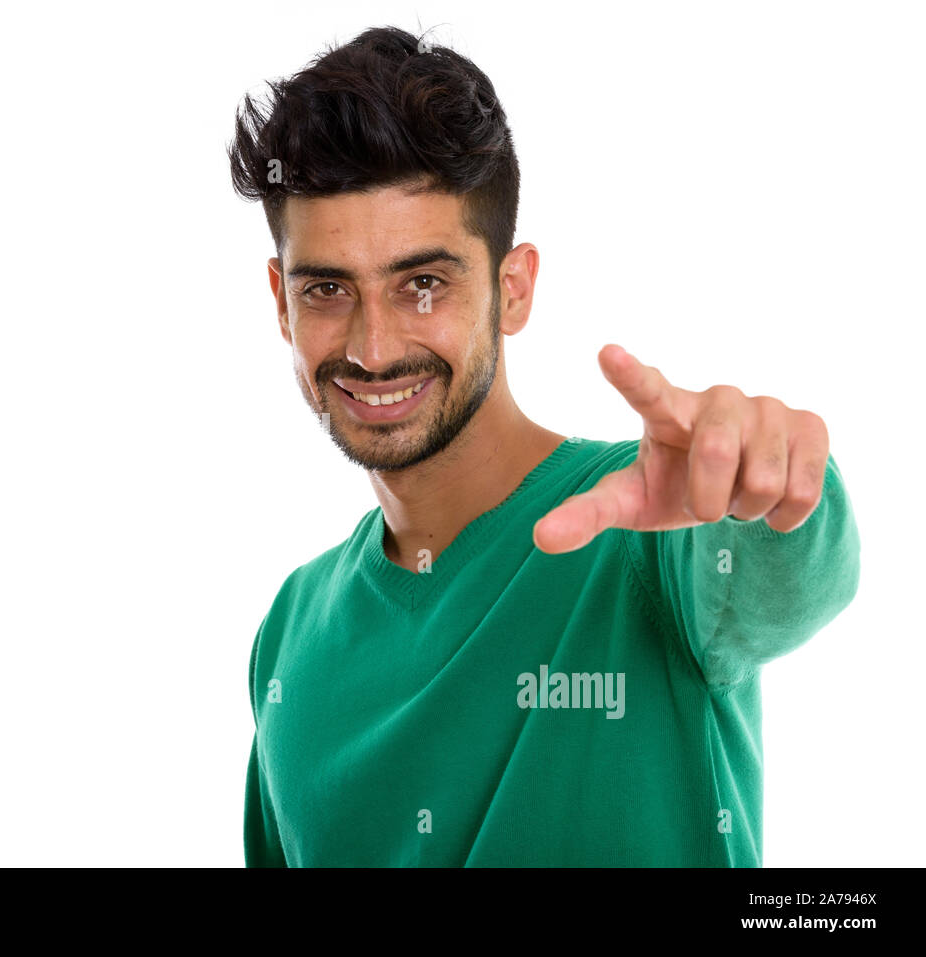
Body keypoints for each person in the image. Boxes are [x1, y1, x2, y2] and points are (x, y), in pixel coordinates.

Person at [228, 25, 860, 866]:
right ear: (281, 301)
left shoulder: (648, 528)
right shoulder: (288, 632)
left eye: (424, 284)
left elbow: (796, 573)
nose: (373, 348)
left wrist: (777, 486)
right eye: (328, 289)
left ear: (512, 288)